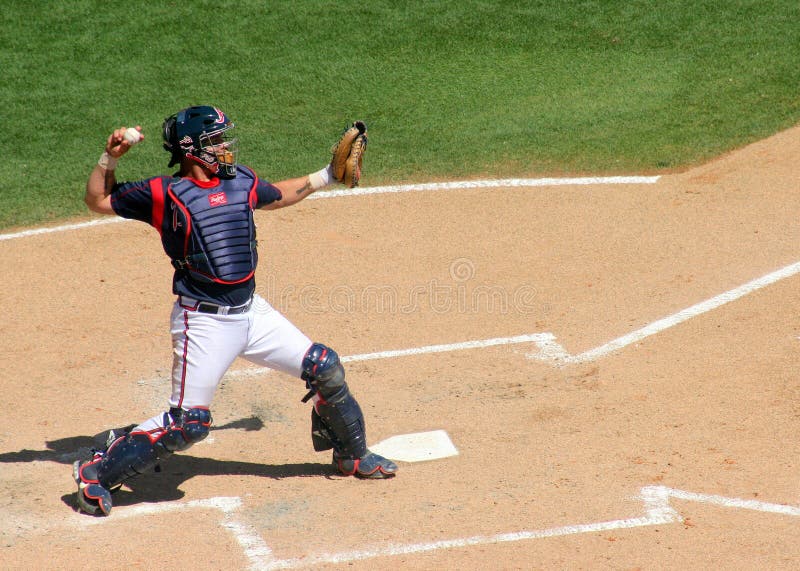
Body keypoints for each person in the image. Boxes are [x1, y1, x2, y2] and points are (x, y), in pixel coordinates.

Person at [74, 105, 397, 516]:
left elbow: (278, 195)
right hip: (203, 323)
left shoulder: (241, 180)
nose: (226, 147)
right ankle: (95, 472)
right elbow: (97, 199)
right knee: (186, 425)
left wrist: (327, 176)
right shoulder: (163, 194)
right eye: (216, 141)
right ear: (192, 149)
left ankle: (352, 456)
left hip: (252, 314)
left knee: (325, 367)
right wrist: (111, 158)